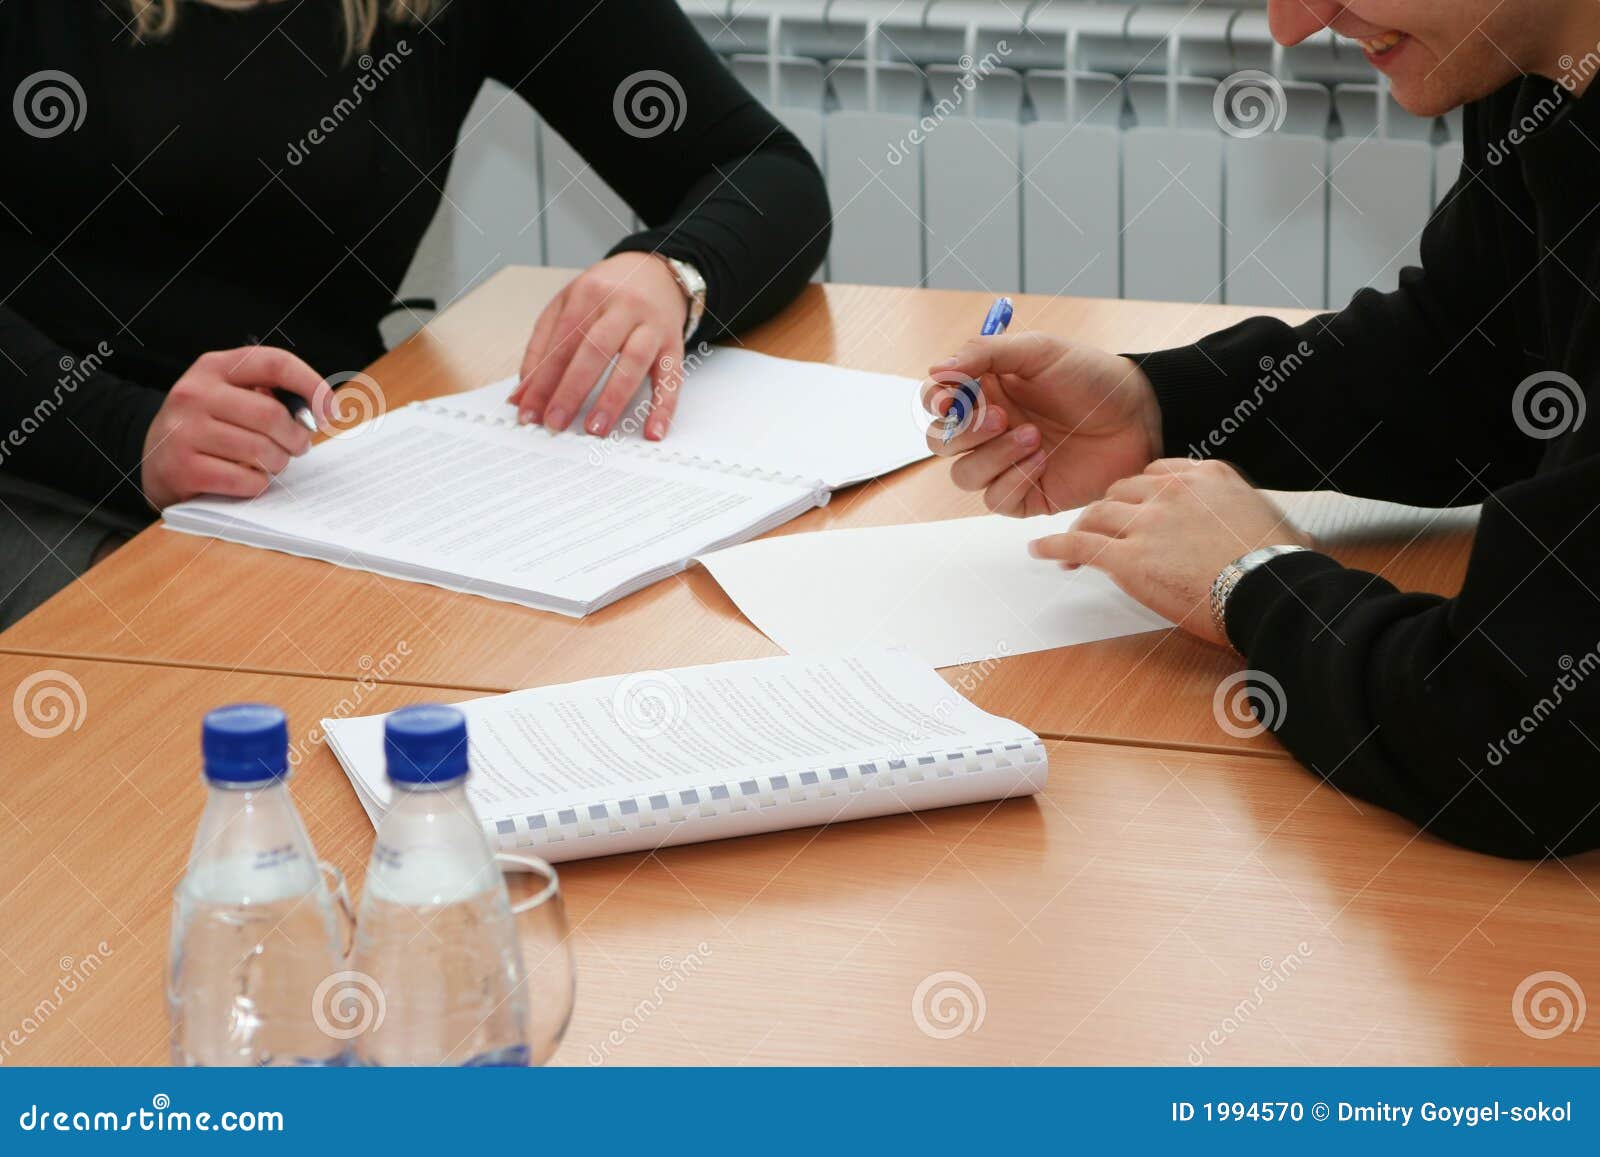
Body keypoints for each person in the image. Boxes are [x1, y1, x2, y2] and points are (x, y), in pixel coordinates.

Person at [929, 0, 1600, 859]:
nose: (1293, 25)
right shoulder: (1536, 67)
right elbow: (1480, 360)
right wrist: (1160, 405)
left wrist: (1253, 581)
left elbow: (1517, 733)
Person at [0, 0, 830, 625]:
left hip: (317, 484)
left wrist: (672, 271)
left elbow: (764, 169)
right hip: (48, 475)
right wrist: (128, 435)